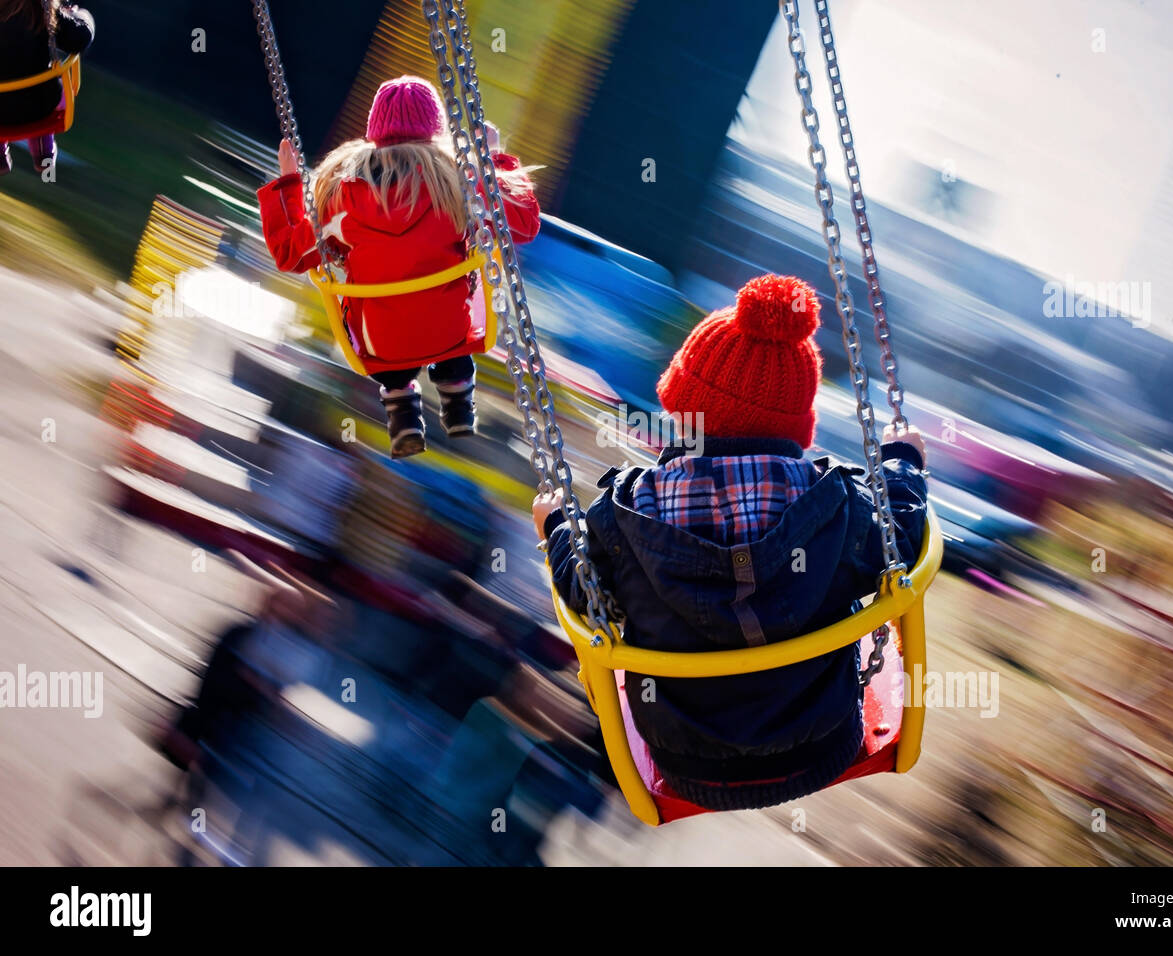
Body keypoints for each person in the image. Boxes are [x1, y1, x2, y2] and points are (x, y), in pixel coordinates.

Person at [535, 274, 929, 811]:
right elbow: (902, 534)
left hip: (689, 767)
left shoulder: (625, 515)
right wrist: (901, 463)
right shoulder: (837, 505)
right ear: (797, 428)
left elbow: (581, 587)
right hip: (823, 746)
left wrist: (556, 524)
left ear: (683, 410)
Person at [258, 75, 540, 456]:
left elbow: (289, 253)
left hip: (380, 345)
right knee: (451, 321)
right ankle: (458, 400)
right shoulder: (458, 186)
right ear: (435, 133)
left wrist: (291, 184)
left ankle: (400, 405)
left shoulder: (342, 195)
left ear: (374, 133)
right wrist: (491, 161)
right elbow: (523, 224)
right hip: (450, 333)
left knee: (385, 326)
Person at [0, 0, 94, 176]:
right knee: (43, 85)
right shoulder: (43, 8)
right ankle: (44, 152)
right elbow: (80, 38)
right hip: (40, 110)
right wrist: (81, 15)